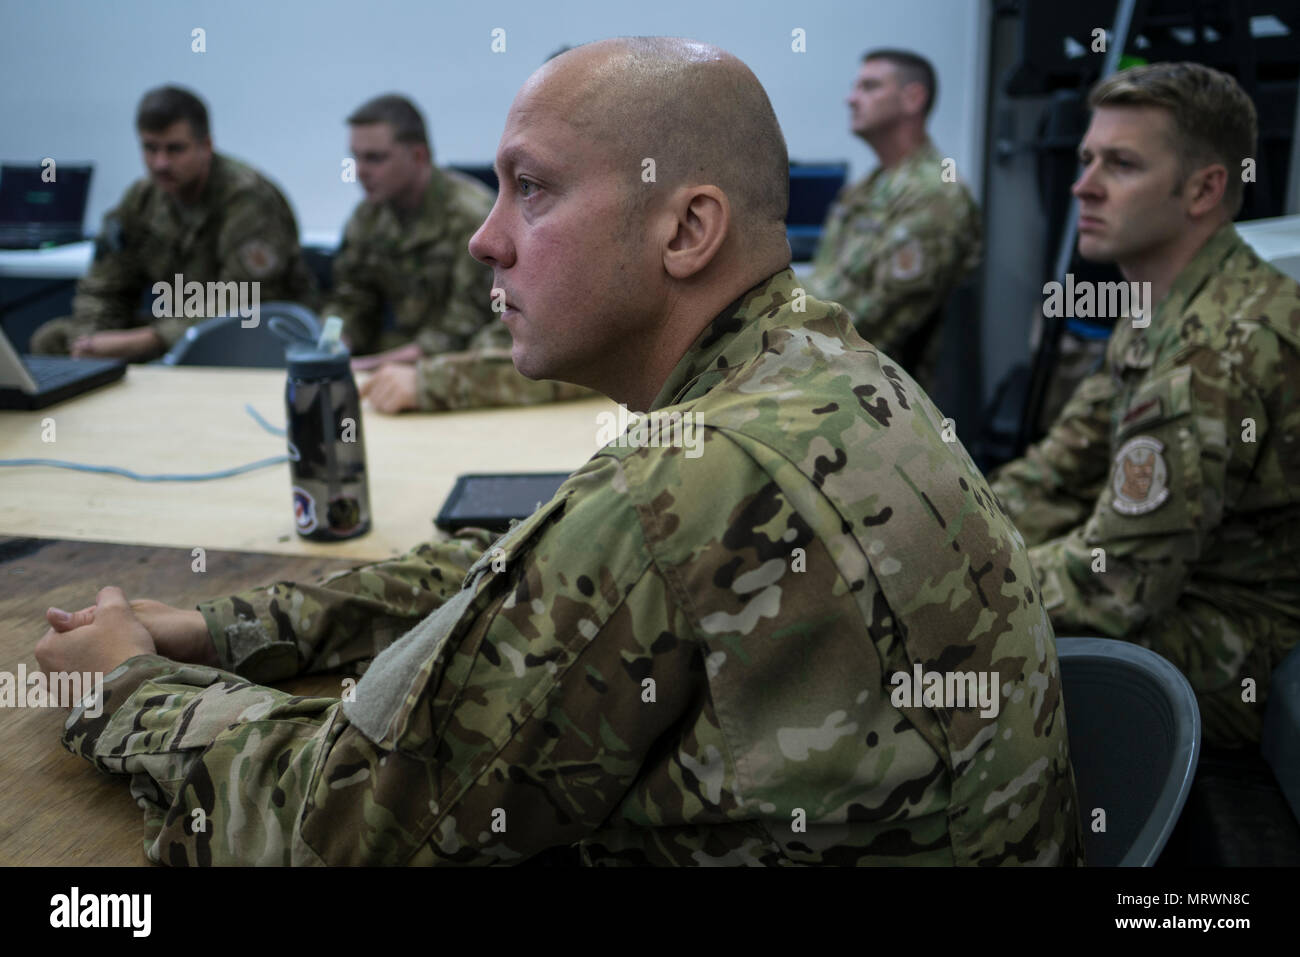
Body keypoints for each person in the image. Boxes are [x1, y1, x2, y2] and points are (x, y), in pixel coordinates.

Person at [38, 38, 1081, 866]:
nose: (485, 238)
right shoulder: (816, 362)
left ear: (685, 232)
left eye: (530, 189)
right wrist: (228, 627)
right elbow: (519, 573)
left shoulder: (689, 478)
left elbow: (335, 829)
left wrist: (123, 686)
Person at [990, 62, 1300, 749]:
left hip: (1244, 638)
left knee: (962, 656)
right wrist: (953, 530)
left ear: (1204, 189)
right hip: (1169, 584)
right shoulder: (1155, 302)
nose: (1083, 186)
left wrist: (948, 577)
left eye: (1121, 165)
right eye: (1087, 159)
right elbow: (1062, 467)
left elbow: (1114, 585)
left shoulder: (1215, 351)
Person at [333, 94, 592, 414]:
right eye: (355, 158)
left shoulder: (474, 218)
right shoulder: (367, 217)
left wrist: (366, 367)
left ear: (418, 155)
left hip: (451, 367)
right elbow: (348, 298)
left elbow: (465, 334)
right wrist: (331, 343)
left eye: (374, 158)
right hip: (422, 374)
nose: (360, 171)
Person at [30, 85, 315, 360]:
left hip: (250, 334)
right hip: (174, 329)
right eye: (150, 149)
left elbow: (244, 301)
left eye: (174, 149)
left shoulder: (248, 198)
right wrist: (91, 342)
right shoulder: (142, 200)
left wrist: (147, 340)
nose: (160, 163)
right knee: (53, 339)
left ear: (206, 146)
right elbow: (106, 286)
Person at [804, 49, 981, 392]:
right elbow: (826, 284)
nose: (851, 99)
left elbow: (875, 324)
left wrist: (780, 340)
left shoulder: (935, 194)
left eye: (869, 87)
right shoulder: (867, 188)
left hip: (874, 389)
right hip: (827, 360)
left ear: (913, 98)